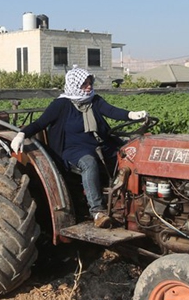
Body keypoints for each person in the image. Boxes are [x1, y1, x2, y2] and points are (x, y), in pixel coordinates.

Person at [10, 67, 147, 228]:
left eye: (90, 83)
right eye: (84, 84)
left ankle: (131, 197)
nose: (89, 87)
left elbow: (112, 111)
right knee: (89, 162)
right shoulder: (61, 104)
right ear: (74, 85)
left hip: (99, 145)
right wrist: (22, 134)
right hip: (73, 149)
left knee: (130, 154)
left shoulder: (94, 100)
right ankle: (97, 211)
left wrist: (132, 115)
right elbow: (41, 123)